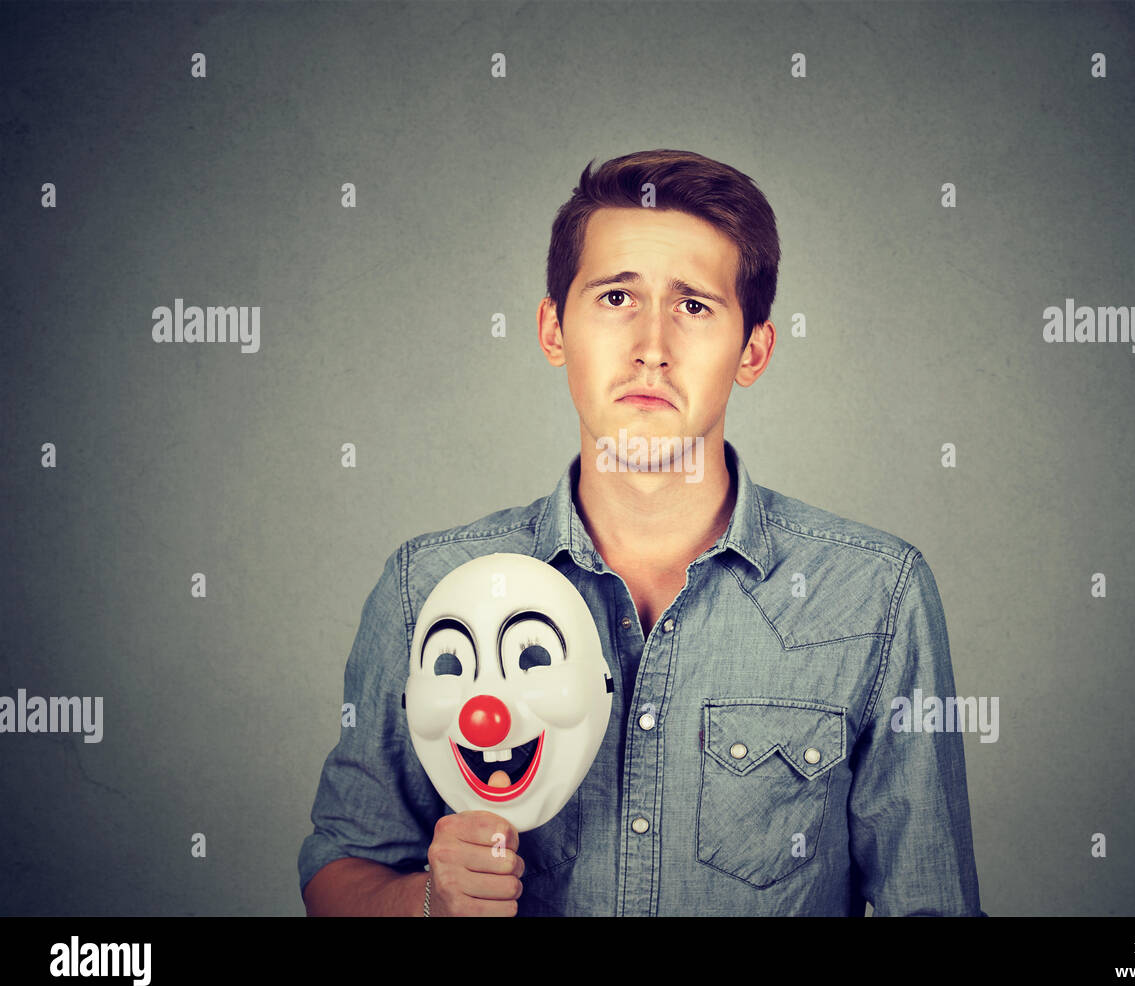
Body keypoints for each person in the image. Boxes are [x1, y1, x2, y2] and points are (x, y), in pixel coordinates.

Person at [298, 149, 983, 916]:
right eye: (617, 296)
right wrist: (427, 900)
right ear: (553, 329)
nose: (651, 346)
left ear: (752, 349)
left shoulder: (874, 596)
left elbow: (930, 905)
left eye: (694, 306)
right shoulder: (425, 588)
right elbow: (337, 874)